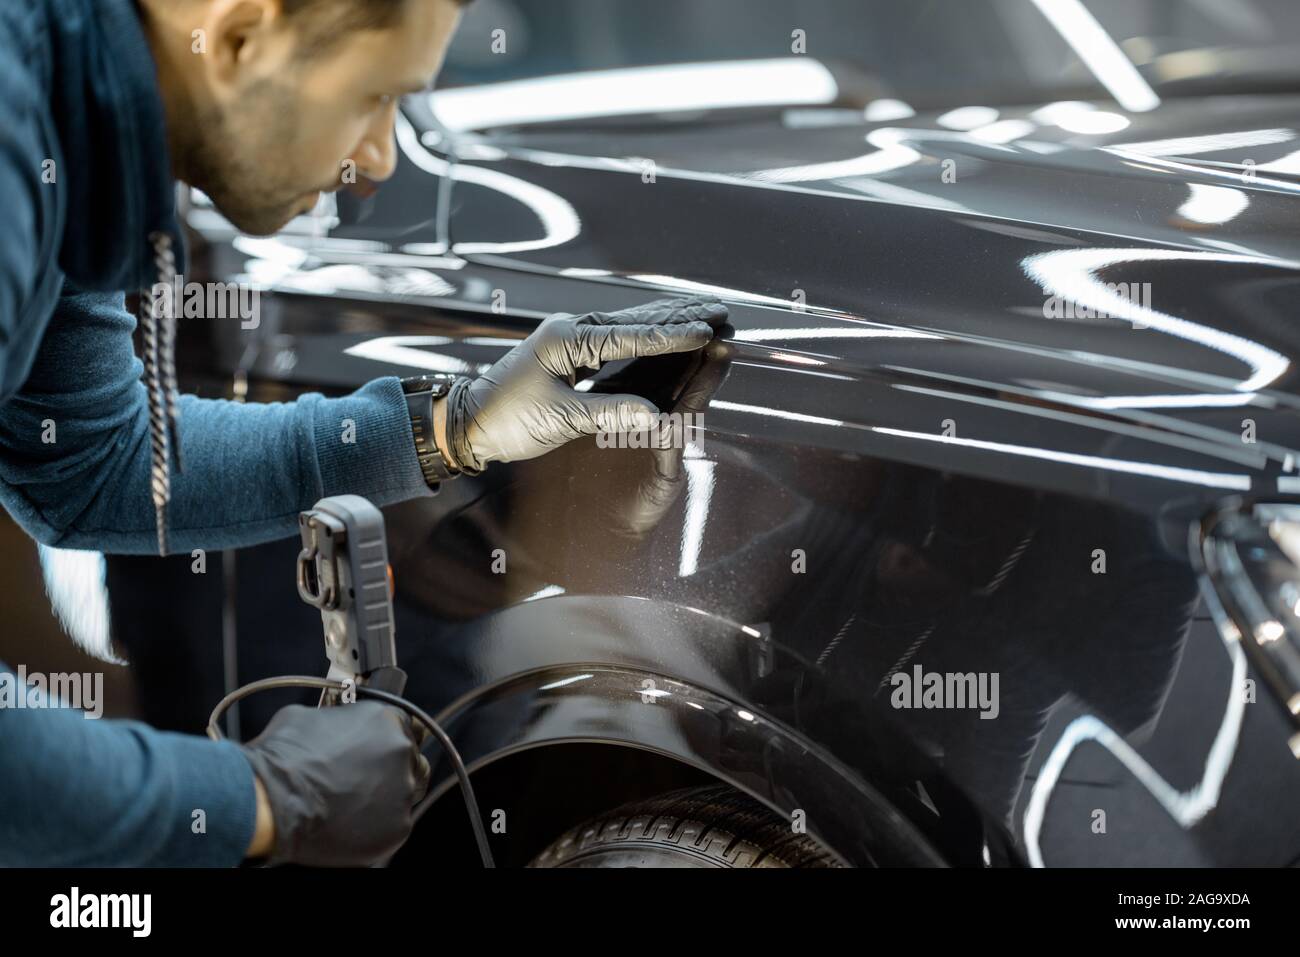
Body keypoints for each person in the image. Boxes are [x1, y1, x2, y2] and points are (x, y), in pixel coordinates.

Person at [0, 0, 726, 866]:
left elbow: (90, 461)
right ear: (237, 36)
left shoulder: (72, 126)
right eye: (373, 97)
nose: (378, 157)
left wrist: (448, 429)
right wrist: (260, 801)